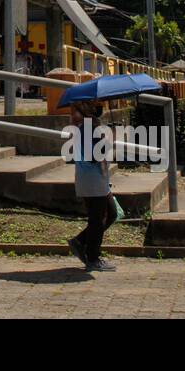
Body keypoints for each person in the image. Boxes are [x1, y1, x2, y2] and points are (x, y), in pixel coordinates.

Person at [66, 99, 117, 272]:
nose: (99, 108)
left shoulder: (92, 127)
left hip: (97, 179)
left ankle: (80, 241)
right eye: (96, 106)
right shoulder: (88, 128)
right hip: (92, 179)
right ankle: (93, 257)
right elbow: (93, 155)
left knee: (111, 213)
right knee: (97, 219)